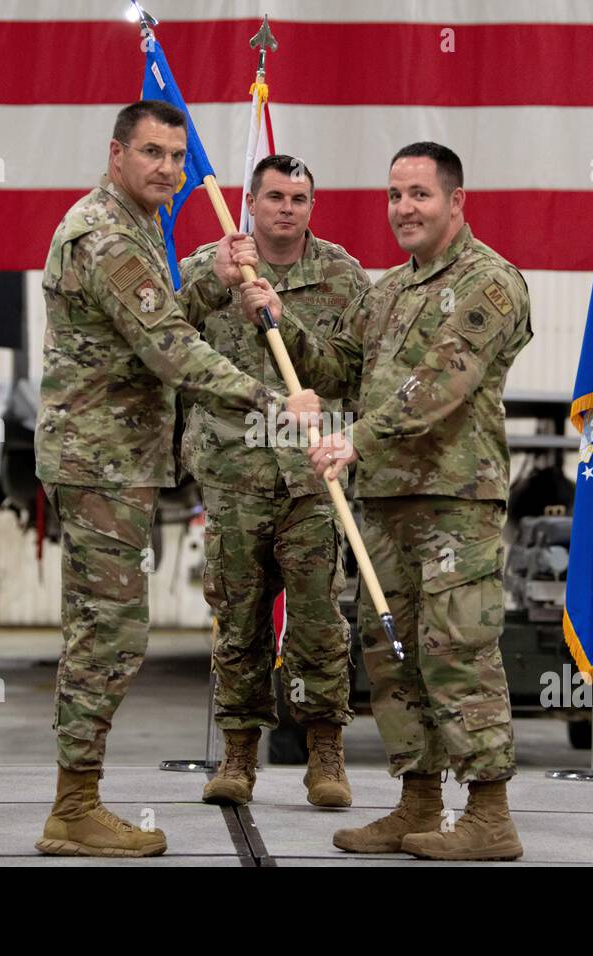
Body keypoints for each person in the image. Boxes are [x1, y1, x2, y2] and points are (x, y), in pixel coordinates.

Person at [34, 100, 319, 857]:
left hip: (114, 459)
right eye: (152, 152)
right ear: (116, 153)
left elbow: (147, 329)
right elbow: (171, 353)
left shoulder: (128, 229)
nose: (167, 168)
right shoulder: (107, 237)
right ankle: (73, 809)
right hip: (101, 462)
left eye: (176, 155)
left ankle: (78, 799)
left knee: (109, 631)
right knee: (108, 634)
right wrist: (273, 400)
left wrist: (213, 283)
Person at [239, 142, 533, 861]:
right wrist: (278, 319)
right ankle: (418, 803)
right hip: (385, 504)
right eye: (394, 194)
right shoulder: (390, 290)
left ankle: (489, 814)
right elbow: (342, 366)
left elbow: (440, 384)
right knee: (394, 657)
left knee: (459, 652)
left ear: (455, 202)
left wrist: (357, 440)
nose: (404, 208)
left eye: (420, 195)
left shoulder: (488, 283)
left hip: (453, 504)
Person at [178, 155, 370, 809]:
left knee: (319, 624)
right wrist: (220, 281)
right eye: (275, 196)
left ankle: (325, 753)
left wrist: (286, 318)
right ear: (250, 202)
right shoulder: (214, 267)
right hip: (234, 478)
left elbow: (350, 371)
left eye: (300, 198)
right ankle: (237, 755)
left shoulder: (343, 276)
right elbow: (164, 340)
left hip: (311, 483)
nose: (288, 208)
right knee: (239, 624)